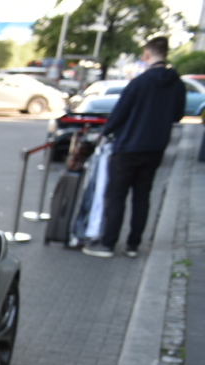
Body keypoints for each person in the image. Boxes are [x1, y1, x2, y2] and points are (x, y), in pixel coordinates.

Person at [82, 37, 185, 259]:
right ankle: (133, 245)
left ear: (147, 55)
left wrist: (104, 133)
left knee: (116, 196)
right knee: (142, 196)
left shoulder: (139, 83)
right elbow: (177, 115)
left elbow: (120, 113)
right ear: (166, 54)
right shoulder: (177, 84)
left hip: (128, 146)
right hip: (156, 147)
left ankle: (108, 244)